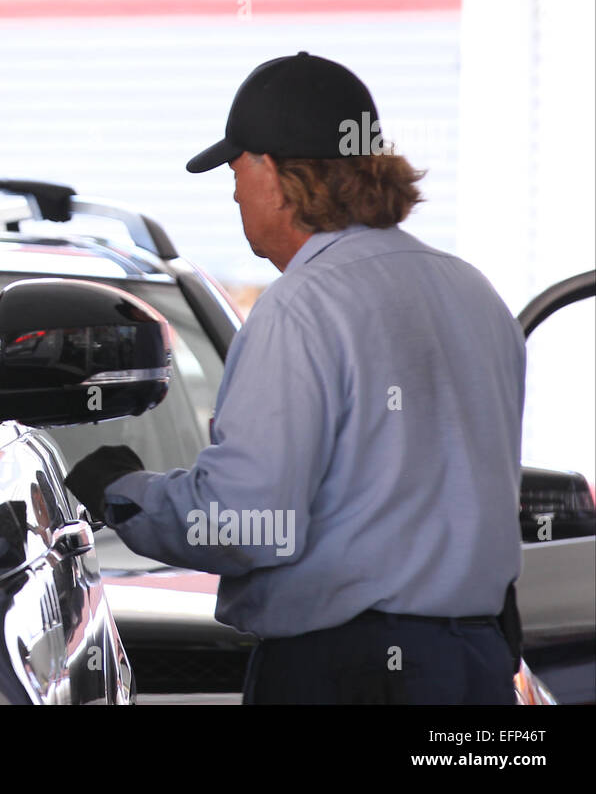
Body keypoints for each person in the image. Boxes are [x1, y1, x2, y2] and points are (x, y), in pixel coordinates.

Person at [65, 52, 525, 704]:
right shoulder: (475, 295)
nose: (231, 190)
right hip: (481, 669)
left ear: (278, 175)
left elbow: (250, 523)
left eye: (236, 166)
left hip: (347, 674)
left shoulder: (303, 305)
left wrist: (124, 495)